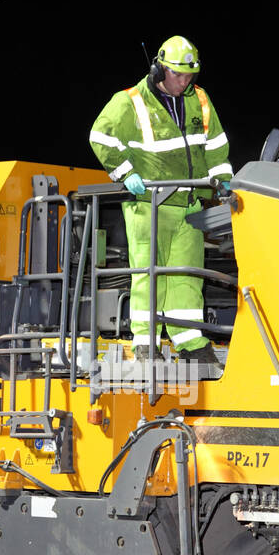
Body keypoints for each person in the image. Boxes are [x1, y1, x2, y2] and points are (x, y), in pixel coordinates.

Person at [89, 35, 232, 364]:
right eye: (177, 75)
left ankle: (189, 340)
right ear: (158, 70)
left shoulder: (200, 100)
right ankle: (145, 342)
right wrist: (126, 174)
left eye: (189, 76)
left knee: (188, 274)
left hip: (189, 205)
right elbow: (100, 135)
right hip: (149, 204)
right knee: (149, 273)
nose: (184, 82)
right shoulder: (131, 101)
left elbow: (216, 147)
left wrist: (223, 183)